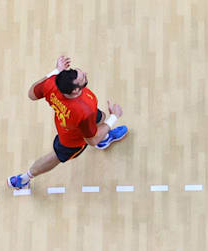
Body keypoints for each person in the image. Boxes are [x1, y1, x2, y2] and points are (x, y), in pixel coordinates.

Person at [7, 55, 128, 190]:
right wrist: (114, 117)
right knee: (55, 157)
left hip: (70, 120)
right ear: (76, 90)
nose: (86, 75)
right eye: (83, 78)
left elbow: (31, 94)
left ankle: (104, 138)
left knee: (100, 117)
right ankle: (24, 179)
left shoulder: (52, 83)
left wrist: (55, 71)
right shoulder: (84, 109)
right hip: (71, 141)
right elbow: (91, 141)